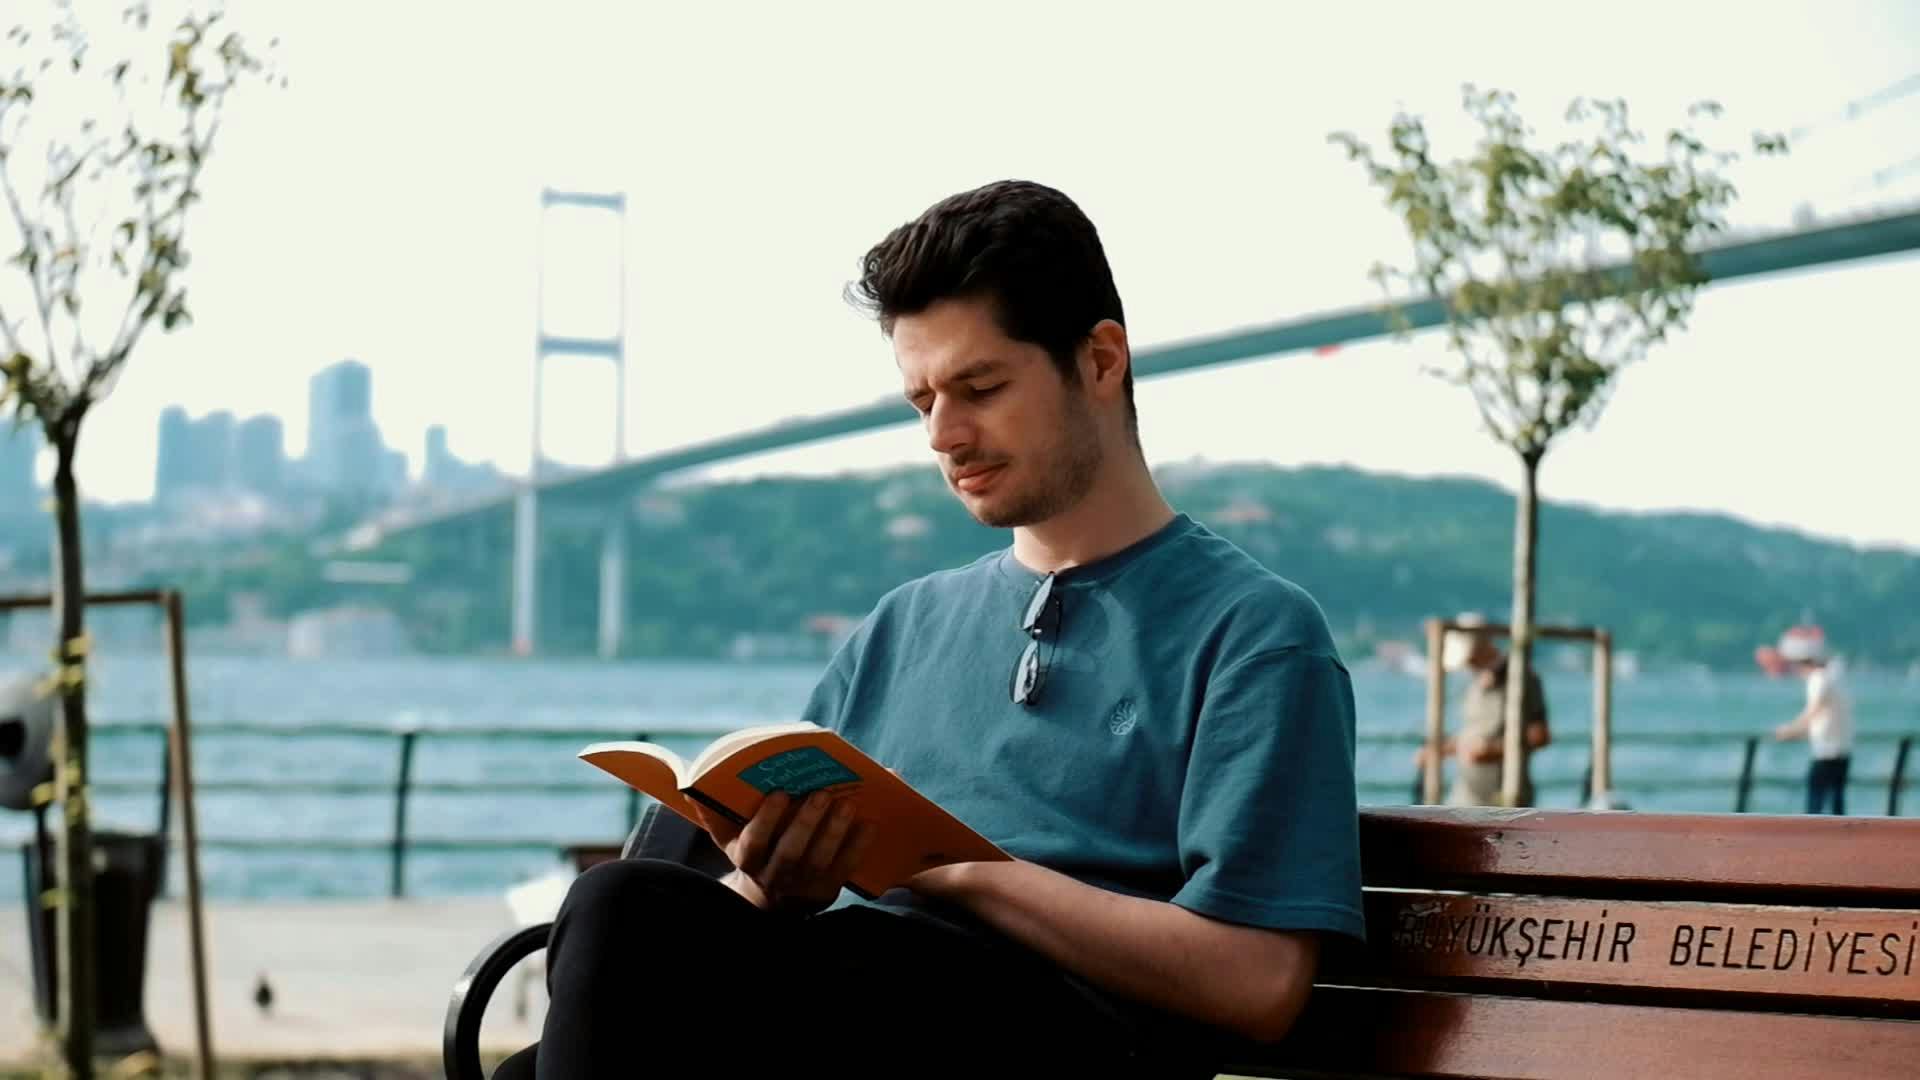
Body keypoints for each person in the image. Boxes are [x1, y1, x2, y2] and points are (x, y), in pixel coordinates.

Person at [494, 180, 1364, 1079]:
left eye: (980, 387)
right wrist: (773, 882)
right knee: (601, 964)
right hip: (849, 1012)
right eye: (922, 402)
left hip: (1049, 1036)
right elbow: (765, 918)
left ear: (1102, 361)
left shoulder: (1252, 634)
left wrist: (960, 871)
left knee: (625, 917)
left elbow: (1258, 983)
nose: (944, 435)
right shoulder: (904, 626)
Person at [1413, 614, 1550, 807]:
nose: (1468, 665)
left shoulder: (1523, 680)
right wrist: (1440, 751)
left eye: (1470, 659)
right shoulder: (1474, 684)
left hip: (1508, 797)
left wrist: (1493, 749)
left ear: (1482, 648)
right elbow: (1472, 737)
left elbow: (1540, 736)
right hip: (1464, 797)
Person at [1772, 630, 1853, 814]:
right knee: (1837, 800)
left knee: (1815, 801)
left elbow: (1813, 710)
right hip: (1843, 748)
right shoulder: (1836, 678)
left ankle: (1814, 832)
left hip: (1826, 750)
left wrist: (1789, 730)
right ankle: (1840, 832)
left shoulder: (1818, 679)